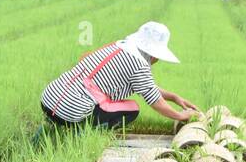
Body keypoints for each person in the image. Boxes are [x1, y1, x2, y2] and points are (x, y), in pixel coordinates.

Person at [37, 22, 199, 140]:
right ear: (155, 54)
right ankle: (84, 135)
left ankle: (55, 127)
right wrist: (181, 116)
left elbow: (148, 87)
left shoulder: (120, 46)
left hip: (48, 100)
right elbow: (154, 101)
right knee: (132, 109)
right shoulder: (139, 64)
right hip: (70, 111)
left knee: (93, 102)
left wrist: (174, 97)